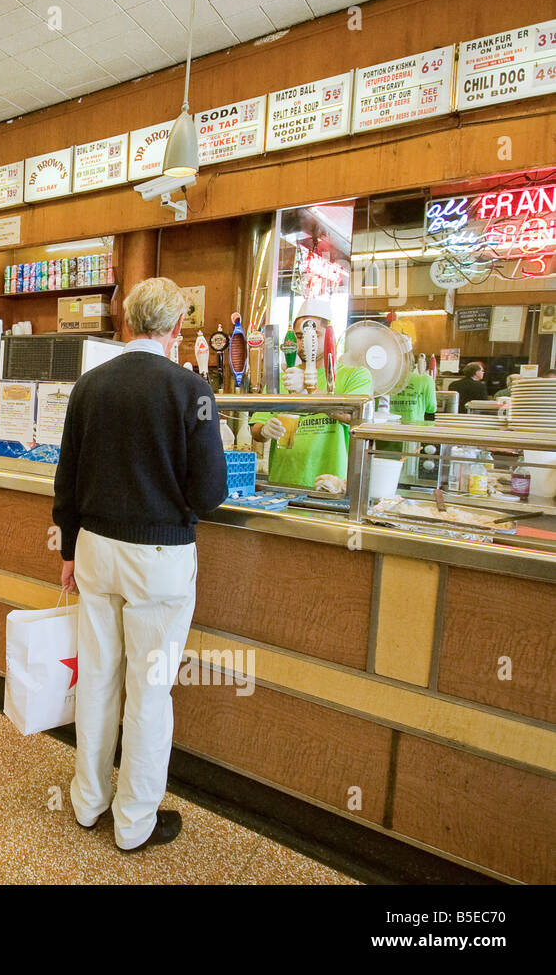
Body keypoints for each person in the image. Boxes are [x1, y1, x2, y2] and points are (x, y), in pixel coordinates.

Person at [53, 276, 227, 852]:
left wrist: (69, 550)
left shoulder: (89, 386)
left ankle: (86, 802)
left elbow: (67, 478)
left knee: (98, 679)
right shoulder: (192, 388)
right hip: (158, 557)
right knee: (149, 691)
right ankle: (134, 823)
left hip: (97, 549)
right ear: (178, 328)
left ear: (127, 322)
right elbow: (209, 495)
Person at [250, 302, 374, 491]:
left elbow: (356, 419)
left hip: (330, 485)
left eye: (313, 336)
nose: (304, 343)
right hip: (282, 484)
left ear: (330, 336)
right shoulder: (284, 378)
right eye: (299, 337)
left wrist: (309, 390)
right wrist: (265, 430)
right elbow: (256, 429)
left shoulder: (355, 375)